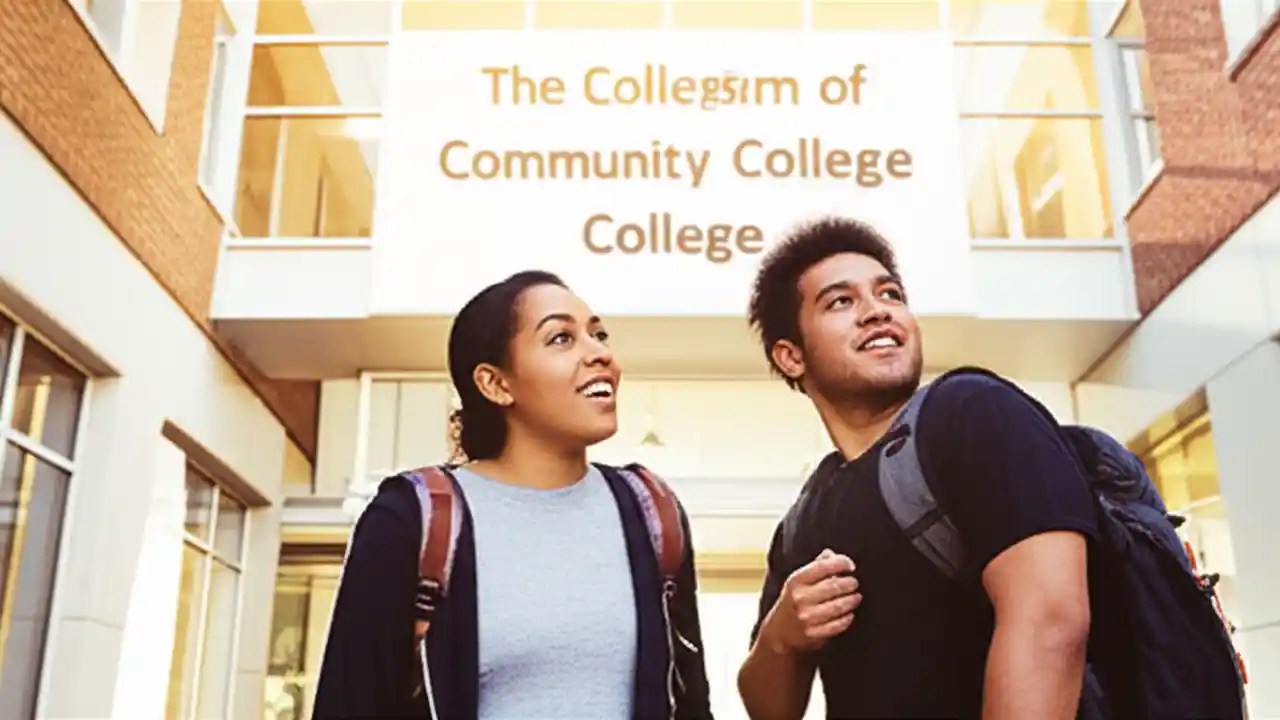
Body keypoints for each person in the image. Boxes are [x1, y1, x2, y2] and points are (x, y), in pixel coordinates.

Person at [736, 217, 1096, 719]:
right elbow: (770, 711)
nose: (876, 312)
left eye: (889, 294)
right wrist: (782, 639)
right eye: (841, 301)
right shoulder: (805, 516)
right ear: (790, 356)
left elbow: (1050, 620)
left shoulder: (972, 412)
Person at [313, 270, 713, 720]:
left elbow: (691, 705)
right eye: (562, 338)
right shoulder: (408, 520)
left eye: (598, 334)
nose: (600, 353)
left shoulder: (651, 512)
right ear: (495, 384)